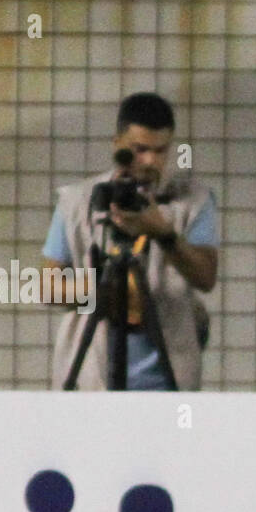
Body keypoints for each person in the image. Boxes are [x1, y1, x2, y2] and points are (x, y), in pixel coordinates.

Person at [42, 92, 218, 390]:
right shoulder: (79, 201)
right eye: (139, 149)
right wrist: (100, 292)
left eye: (160, 151)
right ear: (117, 145)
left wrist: (164, 233)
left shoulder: (192, 202)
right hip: (91, 380)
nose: (150, 161)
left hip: (168, 381)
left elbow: (205, 276)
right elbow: (47, 288)